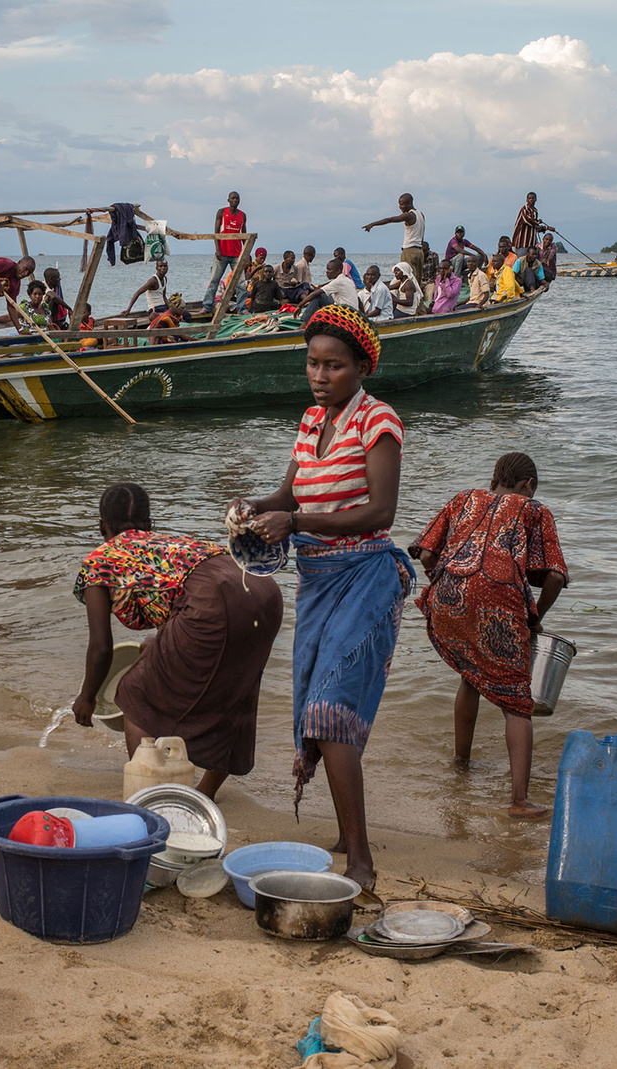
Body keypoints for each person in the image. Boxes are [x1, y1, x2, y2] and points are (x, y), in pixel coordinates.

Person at [226, 305, 412, 888]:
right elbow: (289, 491)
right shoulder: (310, 422)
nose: (320, 374)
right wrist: (255, 507)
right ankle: (344, 836)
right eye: (313, 363)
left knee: (331, 710)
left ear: (362, 367)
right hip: (317, 581)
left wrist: (297, 521)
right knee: (317, 707)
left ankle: (360, 860)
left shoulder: (378, 422)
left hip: (365, 579)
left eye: (334, 365)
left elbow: (380, 511)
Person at [71, 484, 282, 800]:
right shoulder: (173, 543)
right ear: (149, 524)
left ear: (102, 527)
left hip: (211, 603)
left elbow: (101, 647)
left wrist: (86, 698)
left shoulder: (101, 560)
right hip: (264, 591)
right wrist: (156, 644)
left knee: (134, 695)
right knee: (236, 693)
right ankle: (204, 794)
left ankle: (154, 796)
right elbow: (185, 605)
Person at [409, 453, 568, 817]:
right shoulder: (534, 510)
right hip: (498, 597)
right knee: (517, 700)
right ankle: (519, 801)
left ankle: (461, 764)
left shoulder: (463, 498)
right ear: (528, 485)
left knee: (472, 672)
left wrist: (445, 585)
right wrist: (534, 619)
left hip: (448, 596)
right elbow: (555, 577)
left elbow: (428, 552)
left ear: (495, 477)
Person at [362, 193, 426, 286]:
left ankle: (410, 299)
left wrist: (372, 224)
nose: (400, 207)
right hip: (419, 251)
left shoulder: (409, 215)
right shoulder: (421, 215)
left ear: (409, 203)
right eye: (399, 204)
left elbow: (390, 220)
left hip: (409, 250)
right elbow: (422, 234)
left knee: (408, 279)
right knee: (417, 280)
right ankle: (418, 300)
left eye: (402, 204)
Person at [203, 191, 246, 316]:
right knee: (214, 280)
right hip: (222, 253)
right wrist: (218, 249)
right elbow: (216, 232)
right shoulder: (222, 212)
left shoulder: (242, 215)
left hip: (237, 254)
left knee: (241, 283)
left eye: (237, 198)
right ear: (228, 200)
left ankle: (242, 308)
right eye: (233, 198)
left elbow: (244, 235)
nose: (235, 200)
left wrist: (246, 252)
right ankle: (207, 306)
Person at [295, 259, 360, 323]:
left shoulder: (338, 281)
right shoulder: (347, 280)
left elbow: (316, 294)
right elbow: (358, 300)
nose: (327, 272)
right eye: (327, 269)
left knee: (318, 297)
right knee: (321, 298)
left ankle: (304, 324)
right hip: (352, 311)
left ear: (338, 271)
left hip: (345, 313)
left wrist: (299, 305)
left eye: (329, 270)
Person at [511, 192, 550, 259]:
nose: (531, 200)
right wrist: (543, 225)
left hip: (531, 243)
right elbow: (529, 221)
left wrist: (545, 228)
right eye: (529, 198)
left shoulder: (535, 211)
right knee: (520, 261)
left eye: (533, 198)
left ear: (536, 199)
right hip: (522, 242)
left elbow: (535, 228)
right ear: (527, 200)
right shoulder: (524, 209)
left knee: (530, 262)